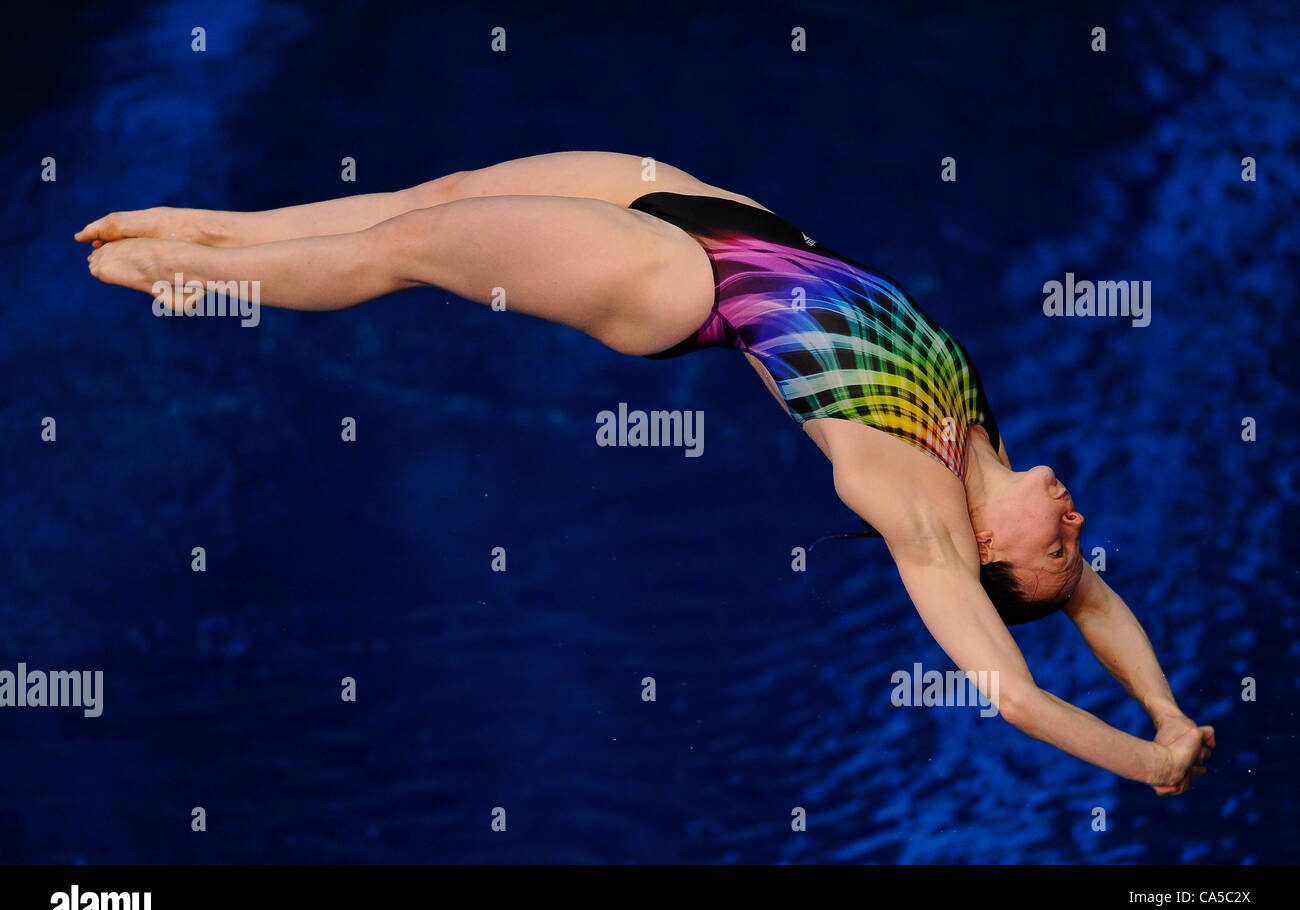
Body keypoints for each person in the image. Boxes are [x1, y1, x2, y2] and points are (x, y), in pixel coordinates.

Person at [77, 150, 1214, 794]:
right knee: (441, 198)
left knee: (404, 254)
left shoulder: (916, 508)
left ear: (988, 560)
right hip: (726, 220)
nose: (1075, 520)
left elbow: (1010, 689)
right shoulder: (983, 451)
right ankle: (212, 225)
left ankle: (184, 273)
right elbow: (1096, 602)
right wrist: (1165, 708)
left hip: (681, 283)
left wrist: (1147, 766)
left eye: (1057, 543)